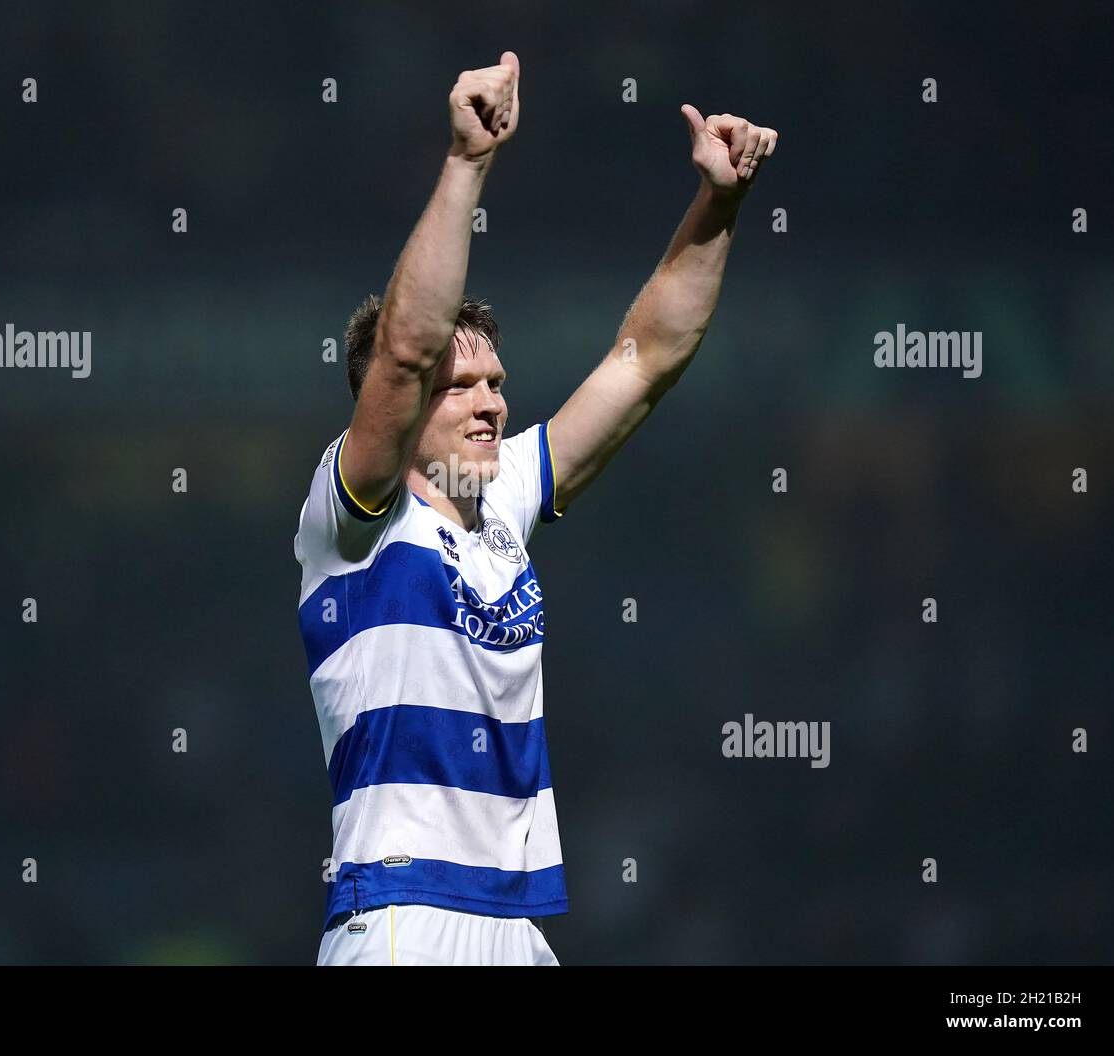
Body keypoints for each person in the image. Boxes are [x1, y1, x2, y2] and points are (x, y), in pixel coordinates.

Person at [295, 50, 776, 965]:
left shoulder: (501, 499)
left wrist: (718, 206)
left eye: (497, 384)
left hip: (515, 924)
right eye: (460, 386)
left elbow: (646, 360)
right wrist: (467, 165)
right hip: (405, 911)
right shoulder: (356, 517)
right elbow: (403, 349)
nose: (490, 402)